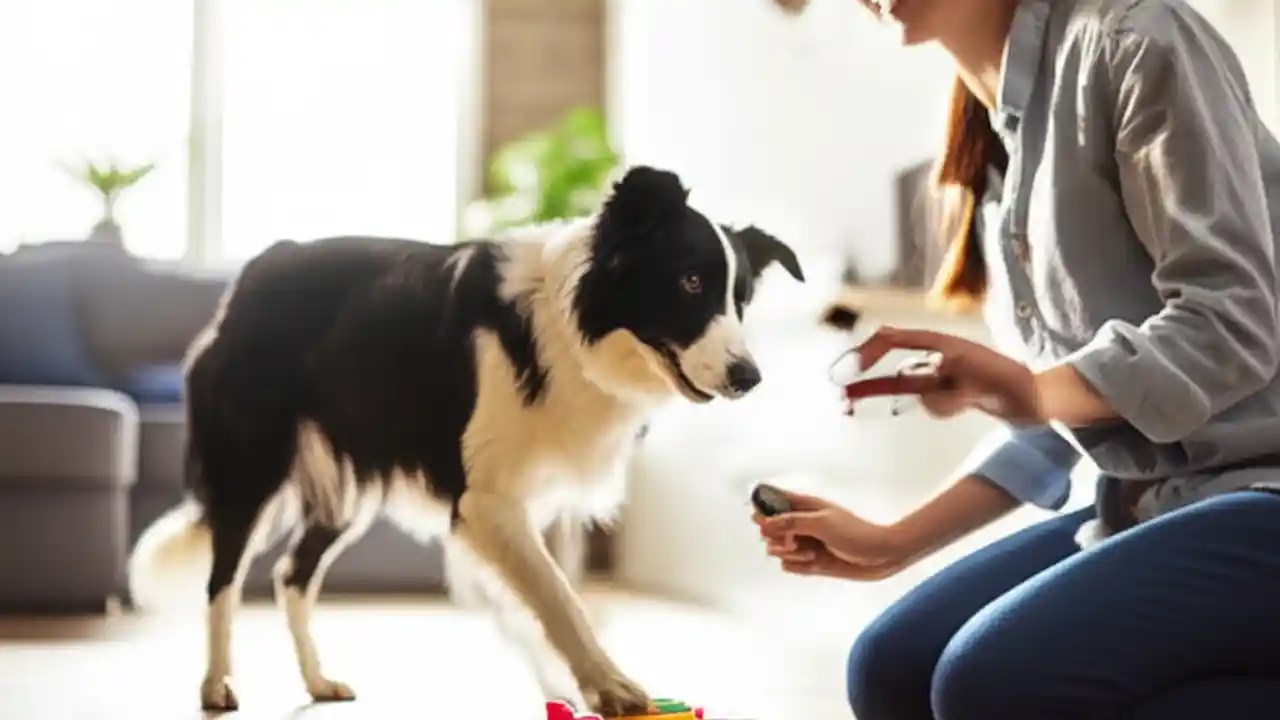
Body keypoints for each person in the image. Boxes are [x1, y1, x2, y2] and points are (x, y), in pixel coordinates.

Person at [752, 0, 1280, 718]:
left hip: (1261, 497)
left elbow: (1234, 324)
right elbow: (1068, 414)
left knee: (997, 685)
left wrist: (1031, 390)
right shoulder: (1002, 133)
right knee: (890, 666)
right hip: (1157, 503)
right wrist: (891, 543)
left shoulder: (1136, 39)